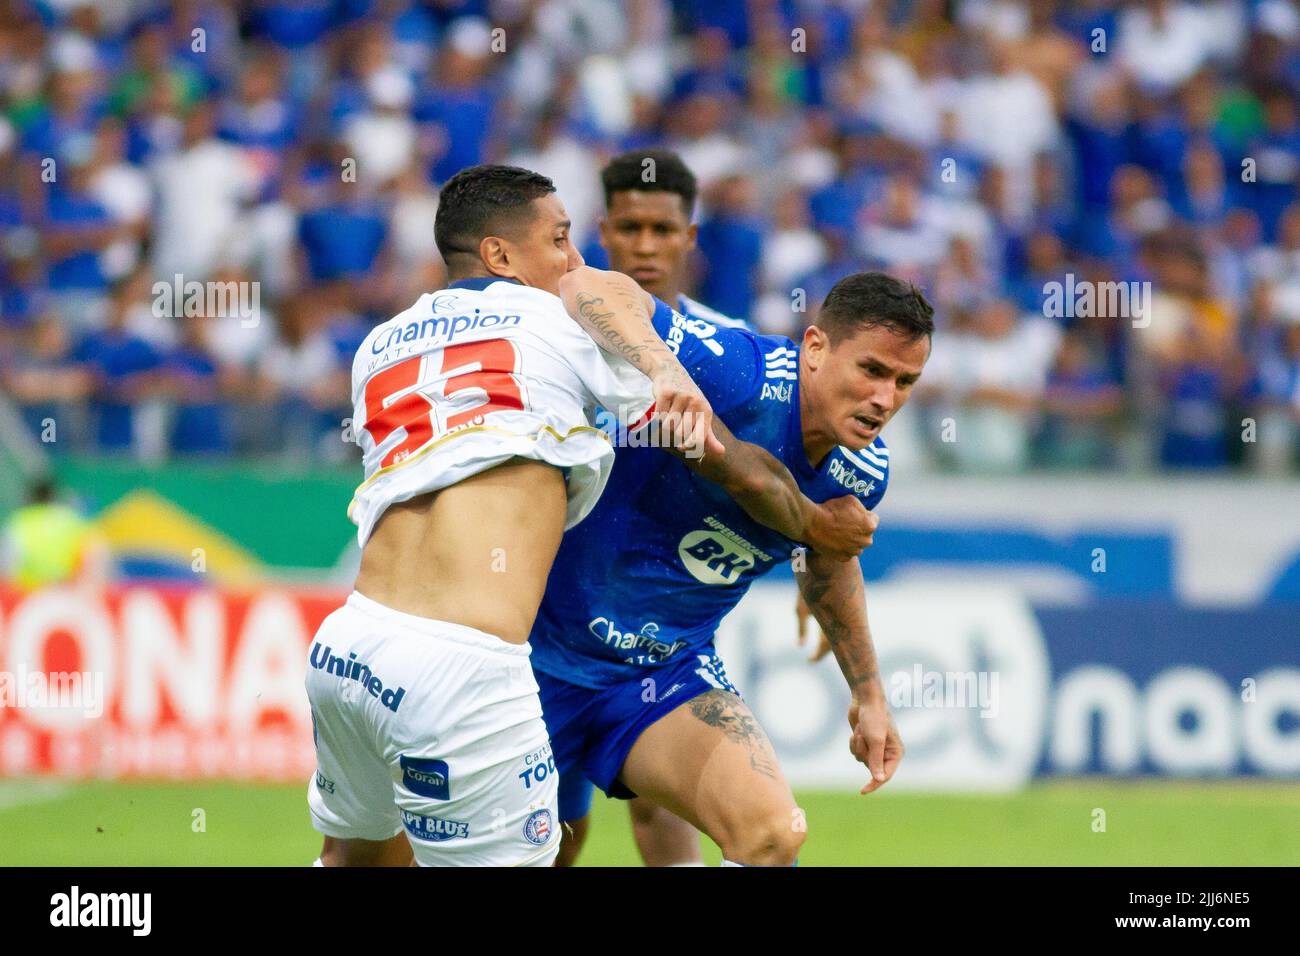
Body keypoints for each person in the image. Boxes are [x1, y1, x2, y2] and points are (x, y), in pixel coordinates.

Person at [305, 164, 876, 867]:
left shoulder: (381, 344)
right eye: (561, 239)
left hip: (351, 646)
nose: (574, 260)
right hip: (472, 662)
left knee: (352, 862)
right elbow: (699, 433)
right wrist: (812, 530)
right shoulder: (565, 324)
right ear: (500, 255)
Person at [532, 271, 931, 866]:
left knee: (773, 836)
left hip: (660, 678)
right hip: (531, 656)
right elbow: (586, 286)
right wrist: (664, 370)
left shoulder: (863, 472)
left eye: (905, 382)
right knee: (530, 854)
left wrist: (869, 692)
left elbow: (825, 563)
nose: (885, 399)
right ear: (815, 348)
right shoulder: (737, 374)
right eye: (872, 370)